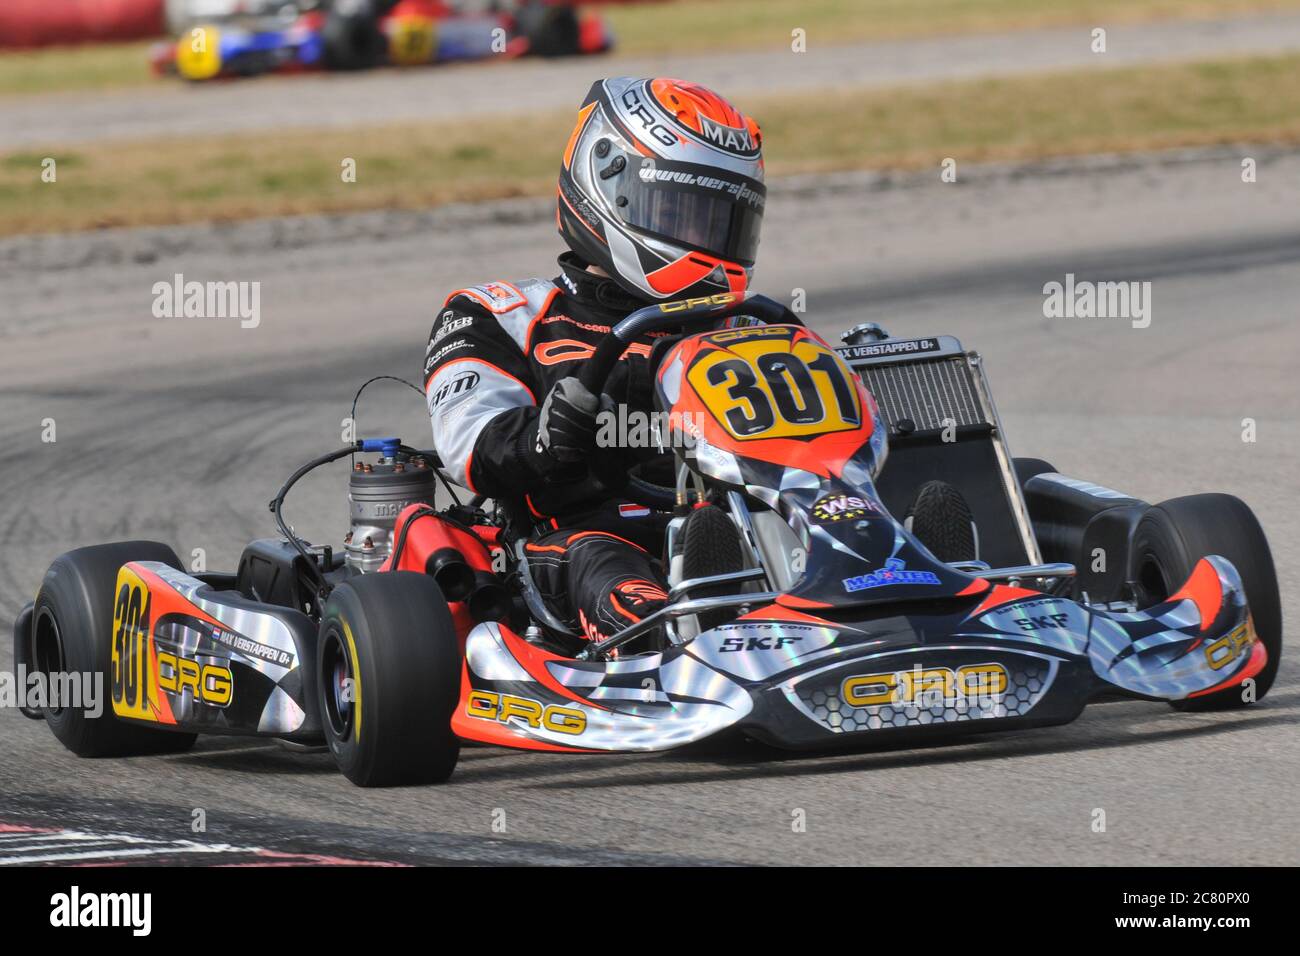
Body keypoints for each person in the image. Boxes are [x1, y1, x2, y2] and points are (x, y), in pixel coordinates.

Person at [423, 76, 766, 645]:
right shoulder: (499, 315)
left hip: (743, 524)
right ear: (608, 187)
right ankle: (691, 635)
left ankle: (911, 587)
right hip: (587, 536)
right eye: (686, 213)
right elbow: (471, 446)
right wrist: (547, 436)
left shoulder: (748, 326)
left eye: (724, 222)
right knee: (610, 569)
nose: (708, 240)